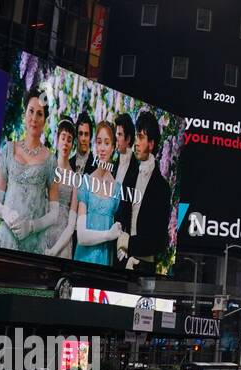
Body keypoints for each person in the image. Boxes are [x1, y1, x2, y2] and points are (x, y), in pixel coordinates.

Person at [0, 90, 58, 255]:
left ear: (45, 120)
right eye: (31, 111)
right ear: (25, 114)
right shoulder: (8, 150)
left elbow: (55, 214)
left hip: (33, 246)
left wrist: (30, 226)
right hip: (4, 240)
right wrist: (5, 212)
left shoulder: (51, 160)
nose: (34, 118)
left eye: (40, 114)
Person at [114, 110, 171, 273]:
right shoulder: (130, 178)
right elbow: (121, 217)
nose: (136, 143)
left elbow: (159, 240)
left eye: (141, 137)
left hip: (145, 268)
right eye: (136, 137)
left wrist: (129, 243)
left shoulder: (162, 188)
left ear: (151, 144)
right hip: (120, 261)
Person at [73, 121, 123, 267]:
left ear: (113, 147)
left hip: (104, 260)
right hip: (83, 259)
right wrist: (108, 235)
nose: (102, 148)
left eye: (106, 143)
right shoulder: (86, 181)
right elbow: (81, 236)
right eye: (99, 142)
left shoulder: (117, 189)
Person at [43, 119, 80, 258]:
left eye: (69, 140)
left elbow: (71, 225)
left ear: (72, 145)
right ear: (57, 140)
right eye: (63, 138)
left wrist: (54, 250)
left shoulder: (76, 178)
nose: (65, 142)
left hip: (62, 241)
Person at [72, 111, 95, 176]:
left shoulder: (96, 166)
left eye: (86, 134)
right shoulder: (69, 163)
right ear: (76, 136)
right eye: (80, 134)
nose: (83, 138)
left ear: (90, 137)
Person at [113, 113, 135, 182]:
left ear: (128, 139)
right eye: (116, 134)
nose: (116, 139)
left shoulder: (136, 170)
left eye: (119, 134)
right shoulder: (114, 162)